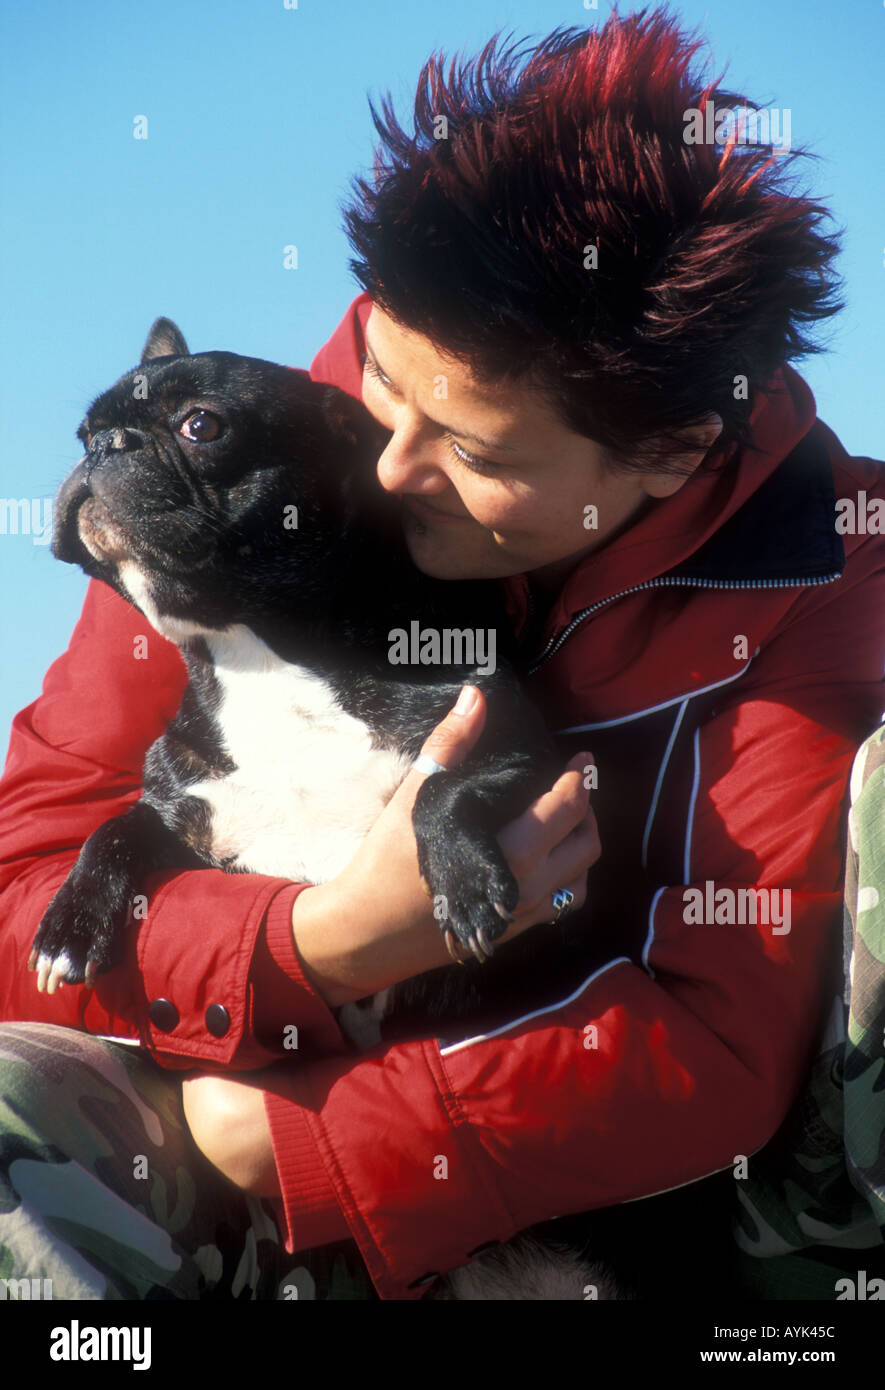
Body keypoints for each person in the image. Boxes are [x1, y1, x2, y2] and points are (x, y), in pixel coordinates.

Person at [0, 9, 883, 1301]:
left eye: (472, 454)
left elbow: (717, 1043)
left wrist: (300, 1131)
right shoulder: (262, 461)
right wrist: (317, 944)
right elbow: (24, 874)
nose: (390, 462)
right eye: (379, 381)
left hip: (631, 1201)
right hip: (238, 1083)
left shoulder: (826, 570)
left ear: (671, 453)